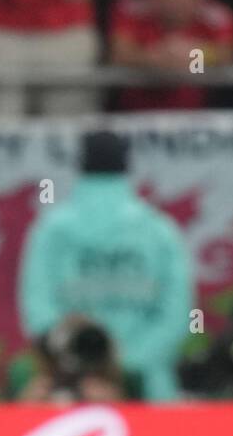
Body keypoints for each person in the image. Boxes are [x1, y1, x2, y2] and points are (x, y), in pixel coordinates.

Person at [18, 130, 191, 401]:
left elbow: (38, 311)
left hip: (65, 390)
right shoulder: (159, 230)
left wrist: (76, 365)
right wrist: (125, 365)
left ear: (81, 165)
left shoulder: (51, 230)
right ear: (126, 166)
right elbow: (176, 314)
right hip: (147, 390)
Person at [110, 0, 233, 110]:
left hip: (198, 118)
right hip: (135, 116)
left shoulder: (217, 16)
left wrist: (193, 57)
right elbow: (119, 55)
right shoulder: (129, 10)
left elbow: (227, 57)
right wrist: (153, 59)